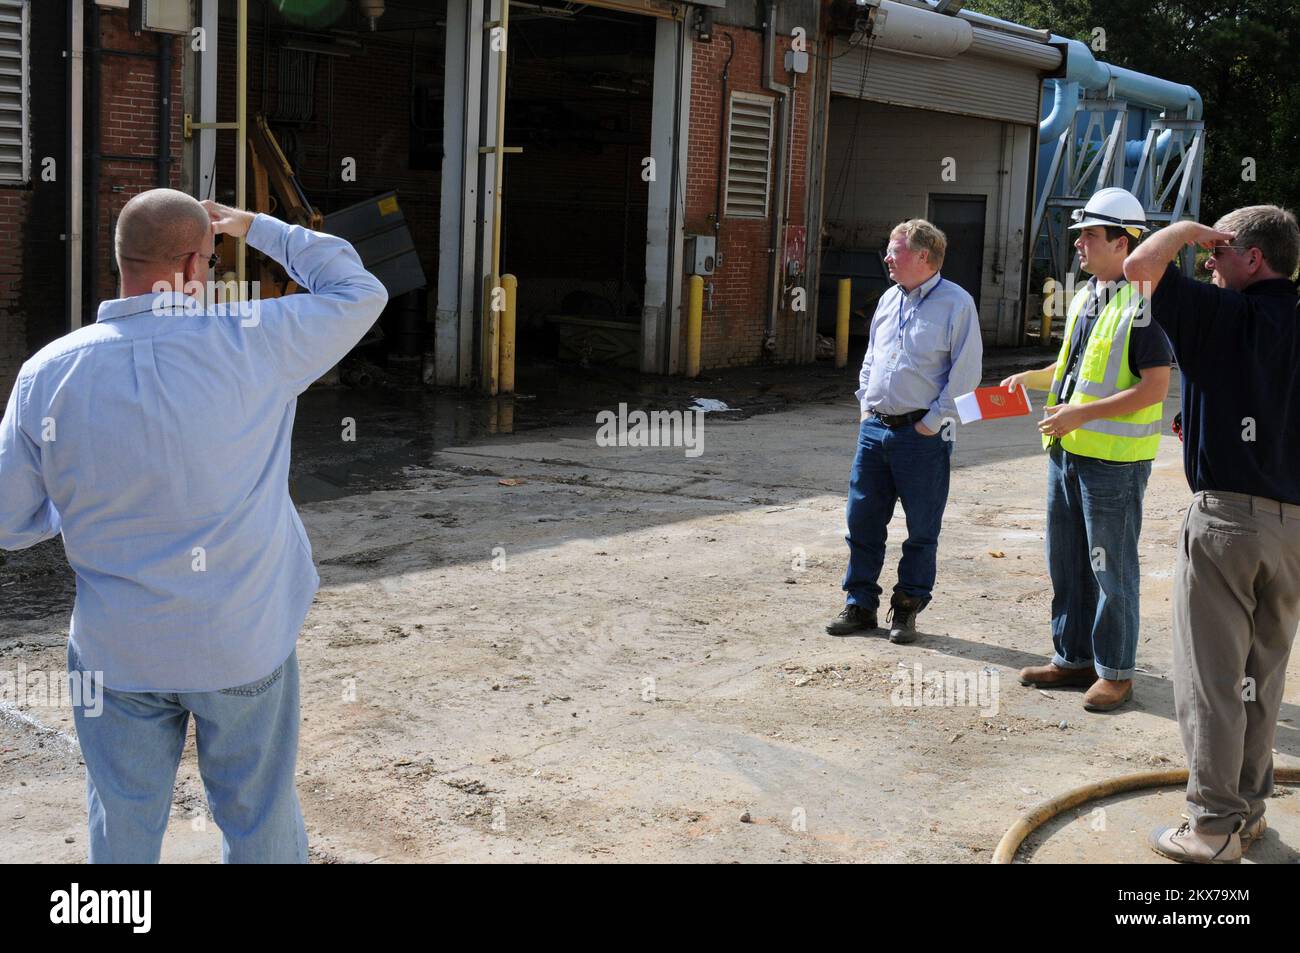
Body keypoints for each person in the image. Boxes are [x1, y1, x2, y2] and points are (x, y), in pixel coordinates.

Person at [0, 189, 388, 862]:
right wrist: (250, 225)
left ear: (122, 260)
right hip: (240, 639)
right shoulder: (255, 341)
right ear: (189, 264)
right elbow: (359, 287)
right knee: (260, 817)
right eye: (210, 258)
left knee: (121, 823)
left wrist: (86, 496)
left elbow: (9, 522)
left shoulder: (47, 374)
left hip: (118, 651)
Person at [1124, 204, 1300, 863]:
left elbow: (1141, 264)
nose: (1207, 264)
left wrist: (1190, 229)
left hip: (1227, 523)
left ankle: (1212, 825)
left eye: (1219, 251)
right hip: (1293, 530)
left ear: (1253, 257)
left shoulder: (1221, 313)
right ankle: (1247, 811)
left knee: (1213, 679)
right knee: (1262, 676)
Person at [1004, 188, 1172, 712]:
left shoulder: (1143, 303)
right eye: (1079, 236)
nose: (1079, 244)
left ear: (1124, 242)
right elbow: (1071, 371)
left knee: (1110, 569)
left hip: (1113, 466)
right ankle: (1073, 657)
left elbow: (1154, 388)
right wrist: (1029, 378)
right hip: (1066, 453)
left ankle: (1116, 673)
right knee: (1068, 562)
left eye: (1090, 236)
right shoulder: (1086, 295)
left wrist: (1081, 414)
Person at [827, 219, 982, 643]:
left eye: (895, 250)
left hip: (921, 438)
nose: (887, 258)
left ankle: (907, 609)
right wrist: (865, 407)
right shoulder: (888, 299)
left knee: (921, 529)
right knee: (862, 523)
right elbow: (871, 358)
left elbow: (965, 375)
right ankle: (860, 605)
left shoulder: (957, 304)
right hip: (875, 432)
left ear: (923, 257)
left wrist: (932, 423)